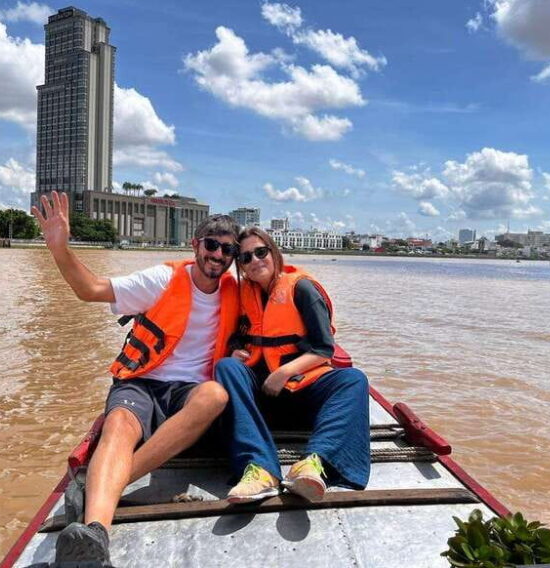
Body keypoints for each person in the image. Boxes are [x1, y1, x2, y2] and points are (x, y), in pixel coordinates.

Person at [31, 192, 240, 563]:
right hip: (142, 380)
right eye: (212, 245)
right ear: (196, 245)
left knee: (216, 396)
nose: (219, 256)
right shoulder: (162, 279)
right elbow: (90, 289)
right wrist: (59, 249)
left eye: (229, 250)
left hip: (189, 392)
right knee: (118, 426)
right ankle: (95, 535)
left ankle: (102, 484)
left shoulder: (236, 293)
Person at [214, 226, 370, 504]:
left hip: (302, 392)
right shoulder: (243, 293)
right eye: (246, 257)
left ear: (274, 253)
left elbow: (324, 349)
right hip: (262, 398)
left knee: (354, 379)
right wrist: (237, 349)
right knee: (227, 367)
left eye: (261, 252)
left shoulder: (302, 289)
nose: (255, 260)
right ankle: (260, 469)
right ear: (241, 266)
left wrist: (284, 372)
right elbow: (239, 332)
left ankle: (313, 464)